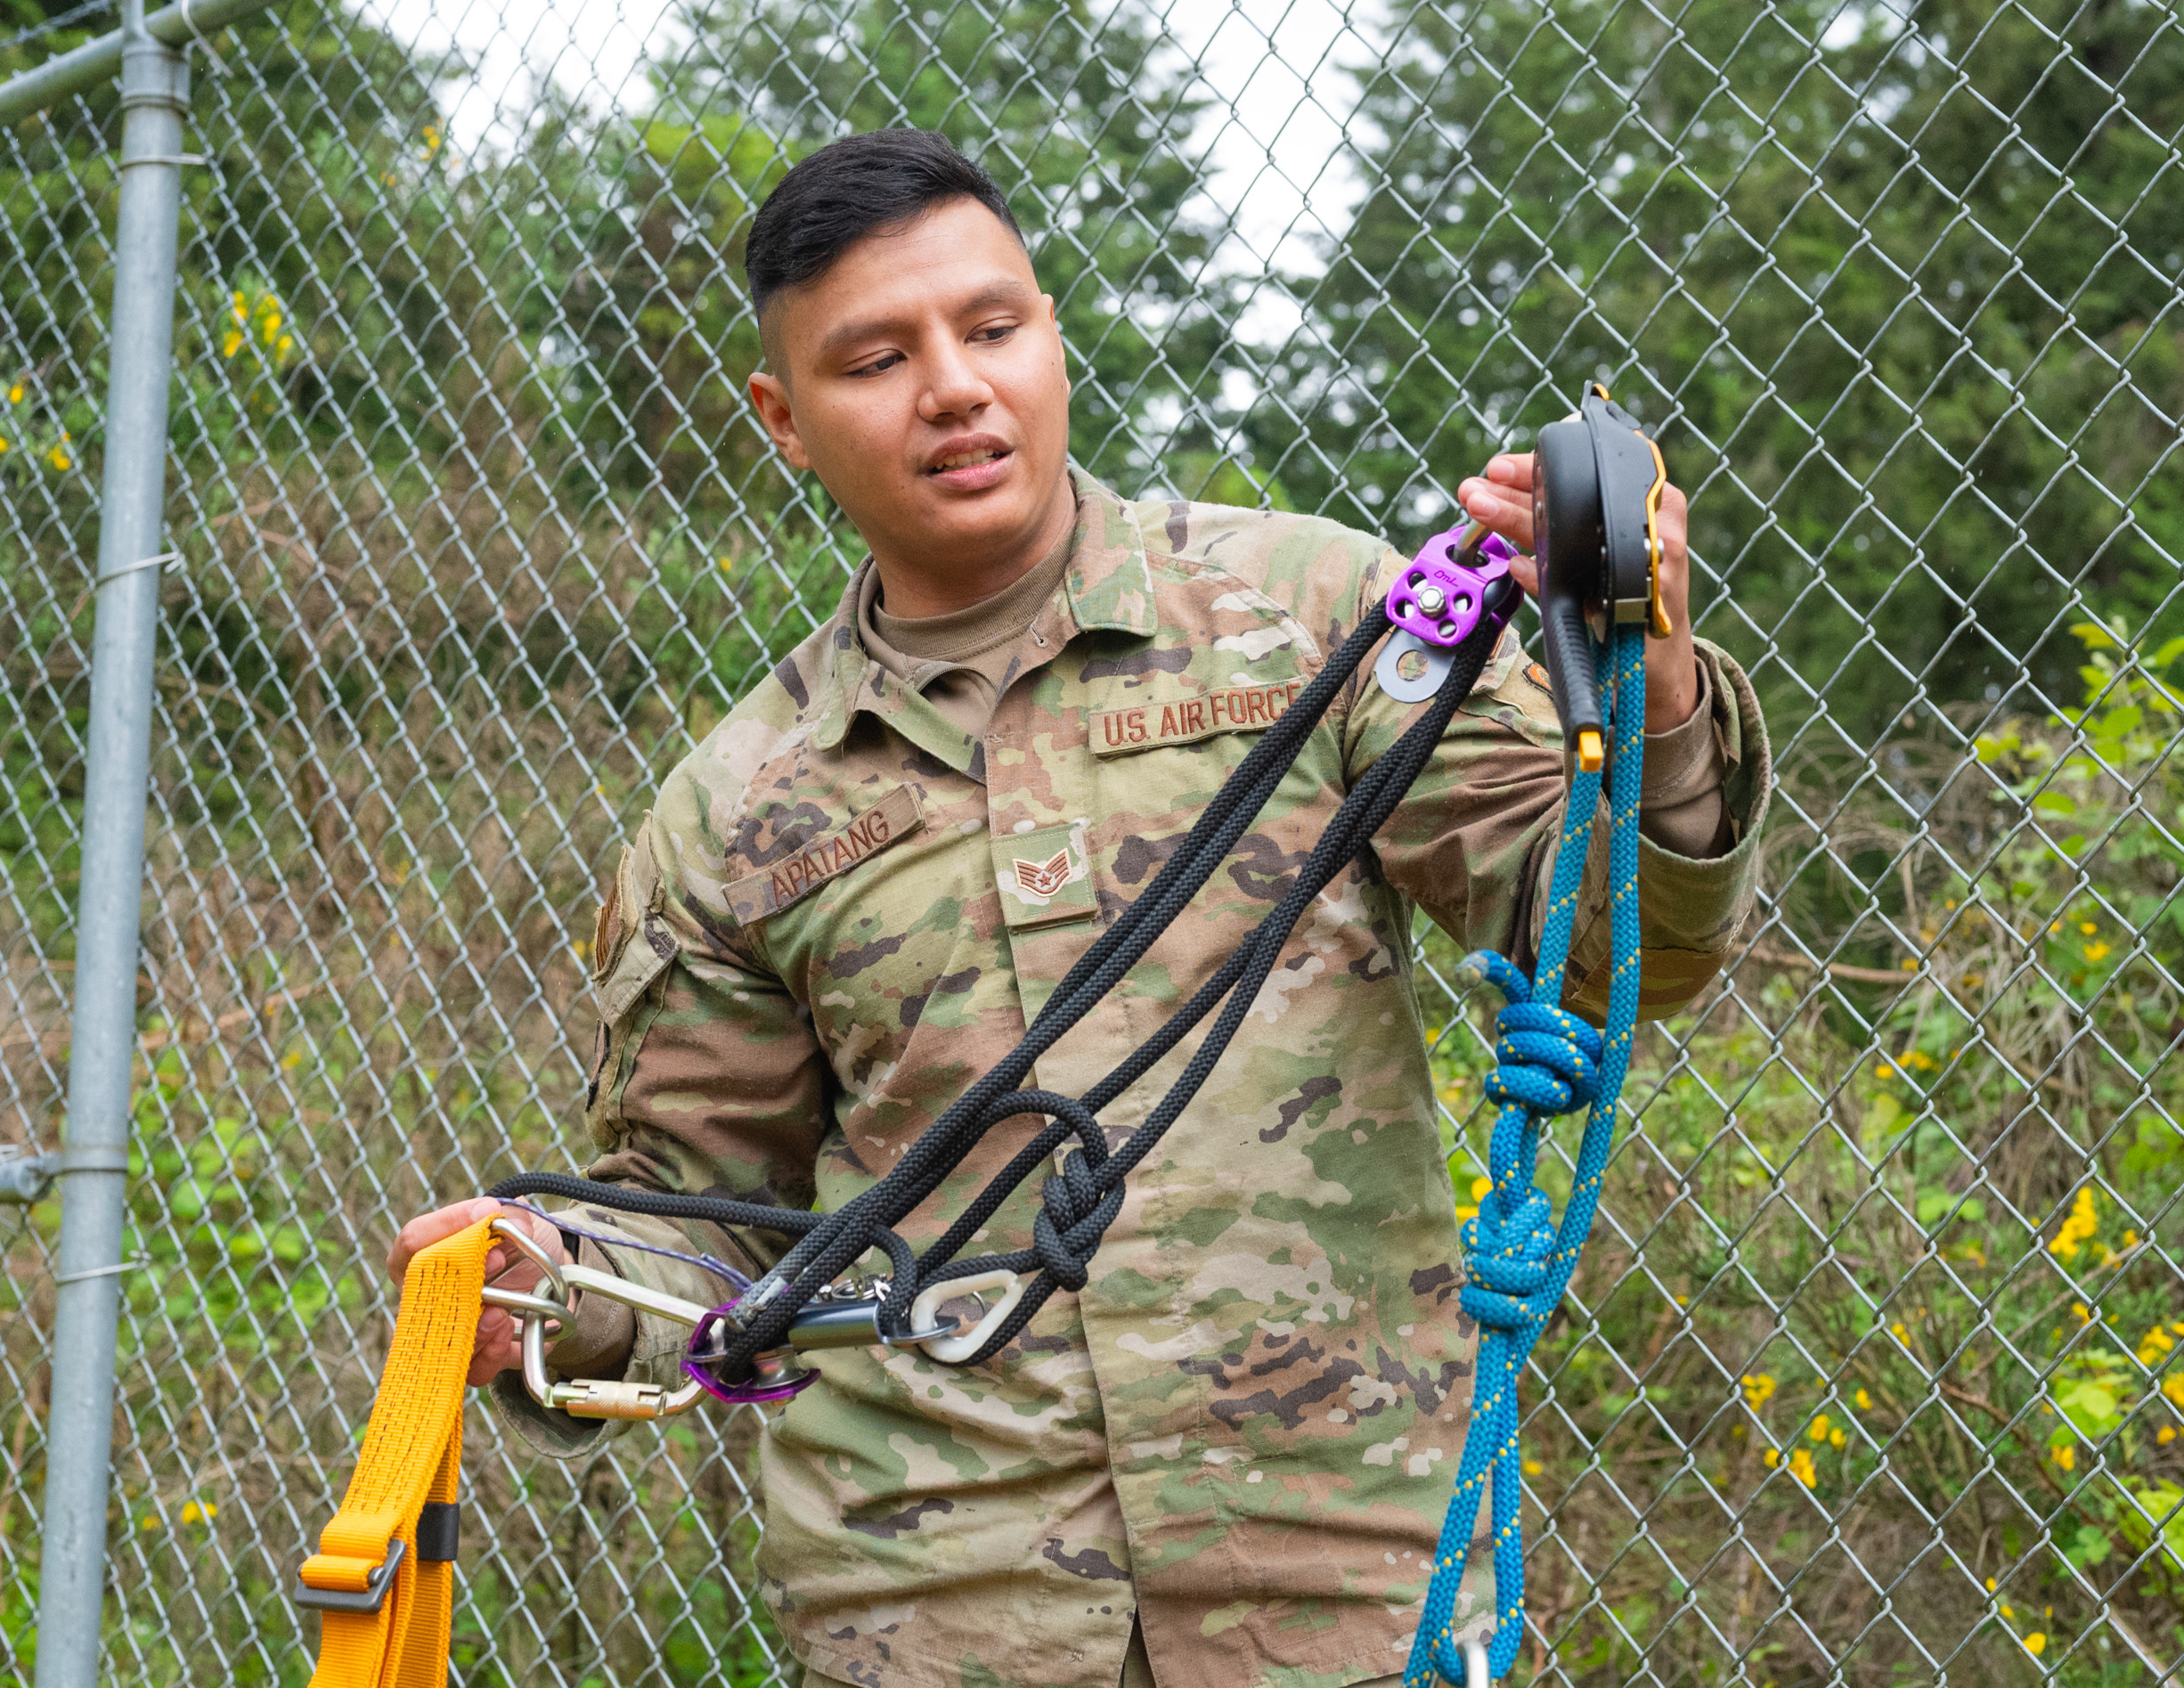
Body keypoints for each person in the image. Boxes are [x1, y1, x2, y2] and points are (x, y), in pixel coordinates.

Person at [388, 128, 1772, 1688]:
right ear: (782, 418)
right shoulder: (740, 806)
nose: (954, 388)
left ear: (1052, 335)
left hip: (1337, 1582)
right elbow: (709, 1221)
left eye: (992, 328)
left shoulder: (1318, 620)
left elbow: (1615, 944)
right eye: (875, 358)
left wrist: (1640, 660)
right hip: (941, 1612)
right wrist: (544, 1276)